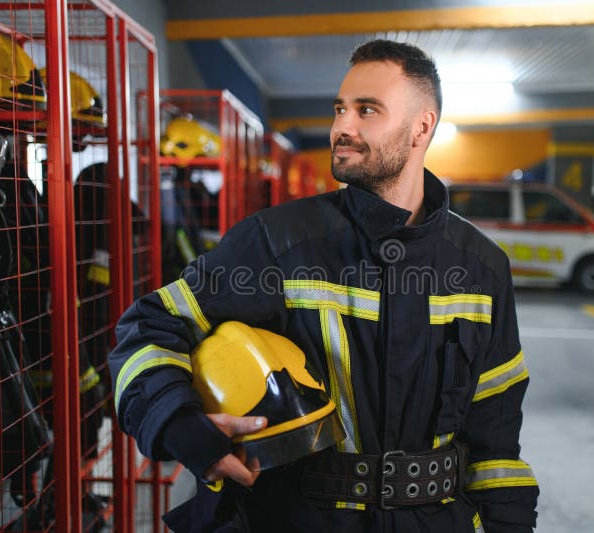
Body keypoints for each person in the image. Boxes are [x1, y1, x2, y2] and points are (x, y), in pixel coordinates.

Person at [110, 39, 539, 532]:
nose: (342, 127)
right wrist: (180, 424)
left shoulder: (482, 268)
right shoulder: (277, 242)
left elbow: (497, 442)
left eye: (367, 110)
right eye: (340, 109)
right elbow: (148, 326)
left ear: (423, 126)